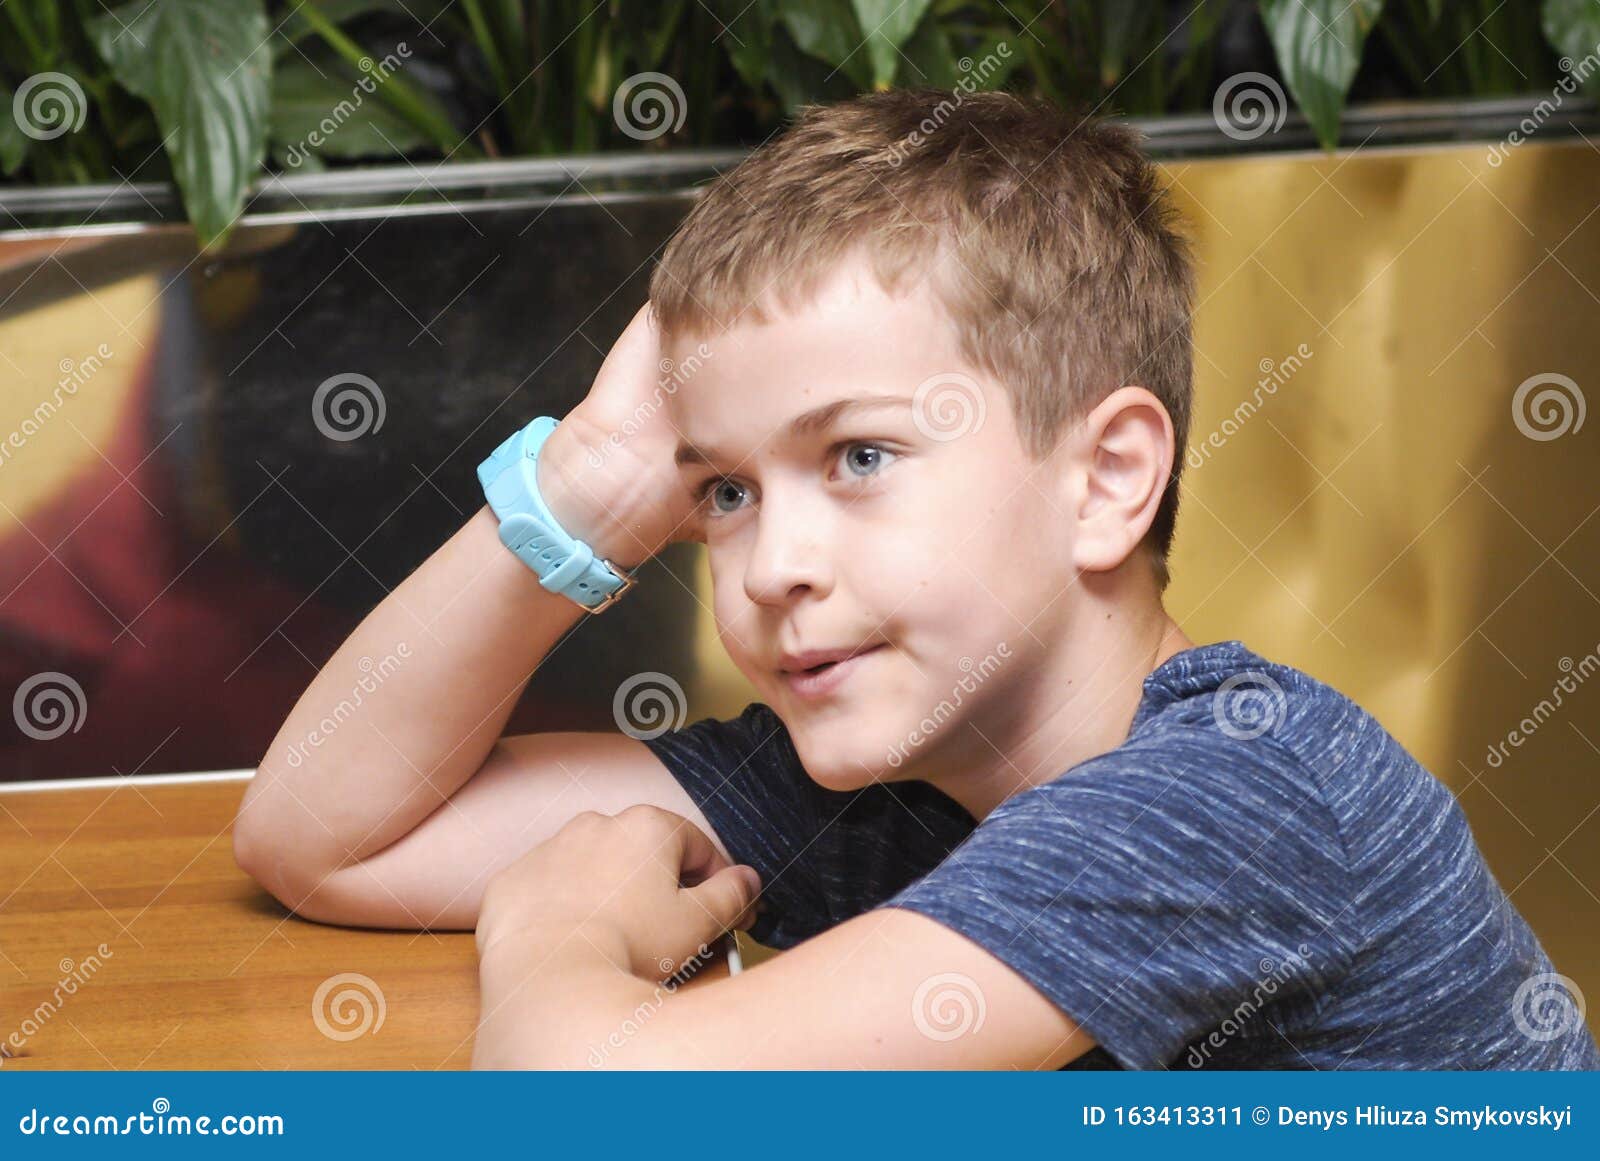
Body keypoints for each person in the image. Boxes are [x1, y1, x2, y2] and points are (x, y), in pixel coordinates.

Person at [234, 89, 1599, 1070]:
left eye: (863, 454)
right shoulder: (888, 785)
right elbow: (321, 832)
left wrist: (557, 938)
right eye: (723, 490)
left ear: (1108, 477)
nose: (771, 565)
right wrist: (588, 480)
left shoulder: (1229, 796)